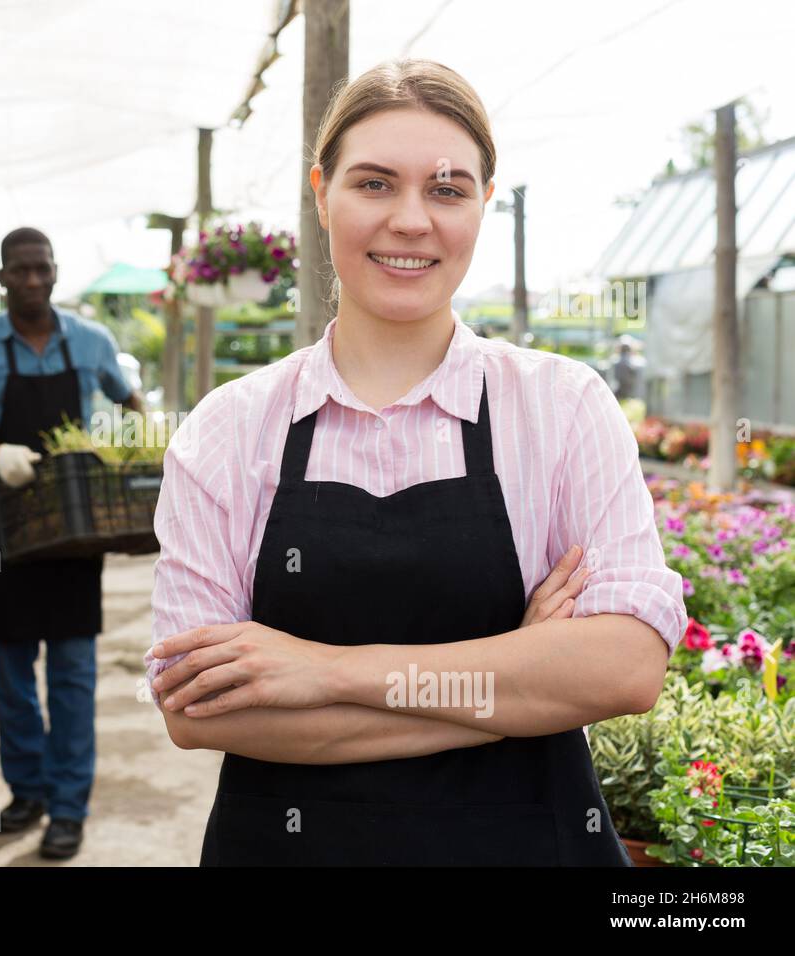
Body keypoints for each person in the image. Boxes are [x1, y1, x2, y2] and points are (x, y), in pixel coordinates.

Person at [144, 59, 687, 866]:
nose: (410, 219)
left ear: (482, 206)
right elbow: (201, 711)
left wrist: (321, 672)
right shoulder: (229, 431)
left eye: (446, 189)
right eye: (373, 184)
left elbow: (625, 667)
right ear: (320, 193)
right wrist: (514, 685)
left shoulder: (561, 407)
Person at [0, 227, 143, 860]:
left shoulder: (91, 341)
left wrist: (126, 457)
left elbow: (134, 409)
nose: (30, 281)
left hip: (76, 527)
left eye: (41, 269)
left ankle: (68, 808)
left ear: (55, 272)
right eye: (18, 271)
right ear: (1, 278)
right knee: (14, 672)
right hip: (8, 530)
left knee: (74, 672)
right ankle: (27, 791)